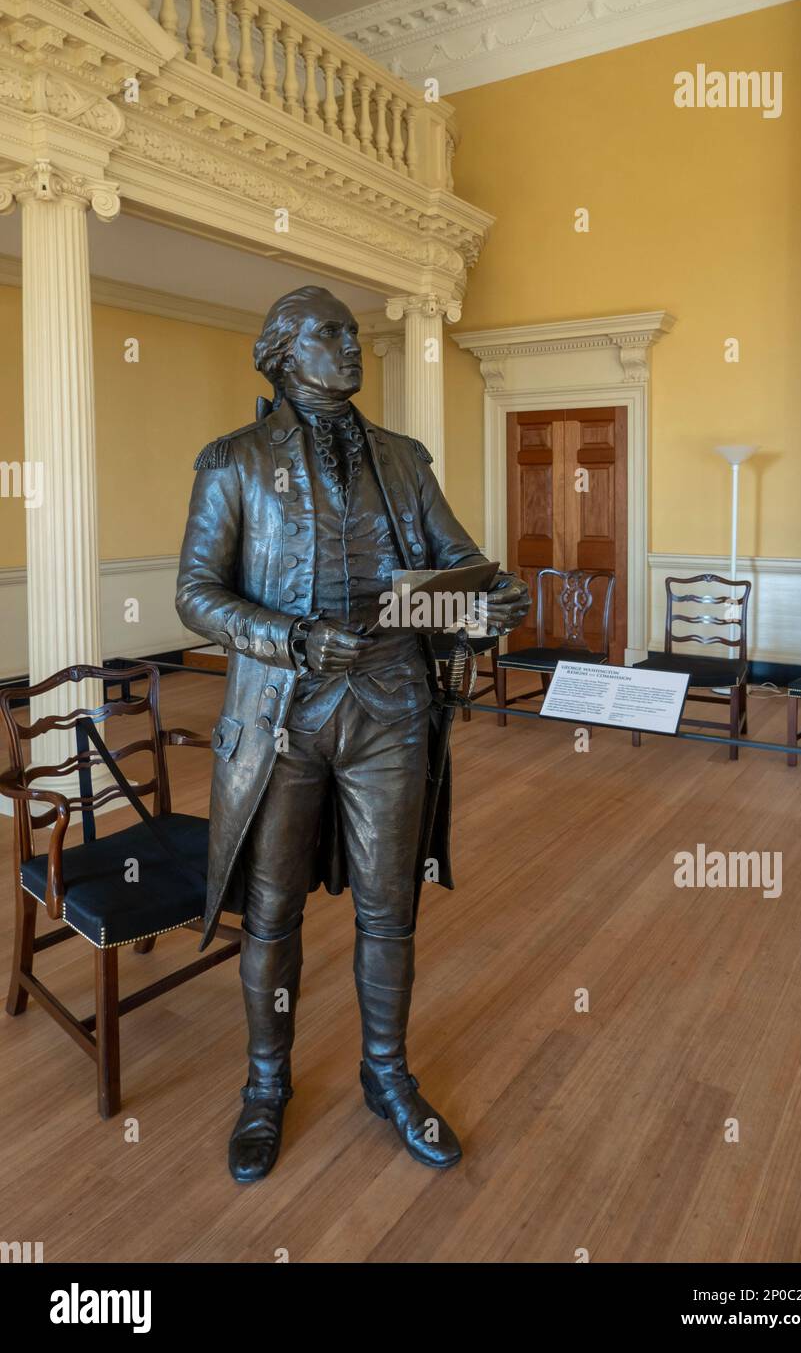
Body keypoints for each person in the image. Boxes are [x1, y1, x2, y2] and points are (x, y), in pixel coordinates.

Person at [176, 286, 529, 1182]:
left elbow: (457, 564)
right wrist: (290, 637)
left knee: (390, 909)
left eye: (349, 331)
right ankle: (265, 1087)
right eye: (330, 333)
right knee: (271, 914)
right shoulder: (234, 461)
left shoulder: (405, 459)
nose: (351, 344)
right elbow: (195, 594)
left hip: (391, 714)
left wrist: (484, 606)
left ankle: (387, 1075)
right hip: (282, 718)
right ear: (285, 351)